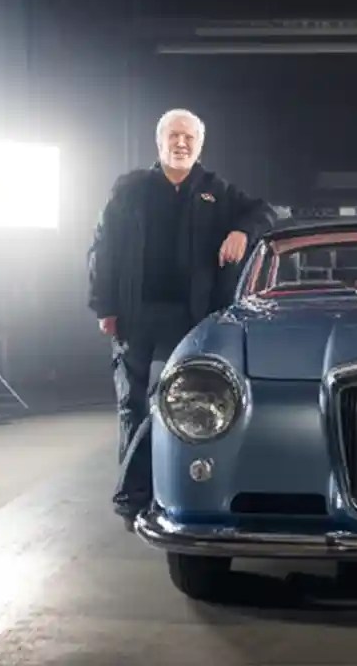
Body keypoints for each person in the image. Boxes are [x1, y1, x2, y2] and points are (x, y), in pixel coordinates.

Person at [87, 108, 276, 523]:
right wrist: (105, 307)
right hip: (135, 315)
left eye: (189, 137)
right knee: (131, 404)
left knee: (187, 405)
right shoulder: (130, 189)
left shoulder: (216, 190)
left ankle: (177, 488)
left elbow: (265, 211)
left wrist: (242, 230)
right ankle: (133, 495)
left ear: (200, 145)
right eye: (174, 135)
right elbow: (103, 249)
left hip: (192, 320)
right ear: (160, 141)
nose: (181, 143)